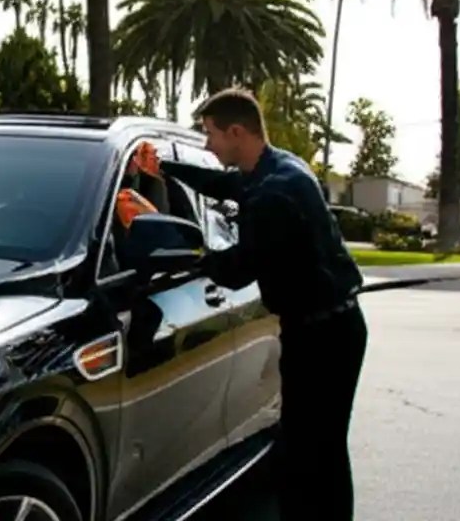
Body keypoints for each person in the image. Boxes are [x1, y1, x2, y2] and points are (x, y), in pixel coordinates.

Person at [137, 88, 368, 520]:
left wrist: (187, 253)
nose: (207, 145)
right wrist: (165, 168)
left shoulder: (273, 196)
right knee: (318, 445)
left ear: (237, 132)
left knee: (314, 448)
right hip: (333, 326)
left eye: (211, 135)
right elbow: (223, 183)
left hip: (322, 337)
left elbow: (238, 270)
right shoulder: (279, 168)